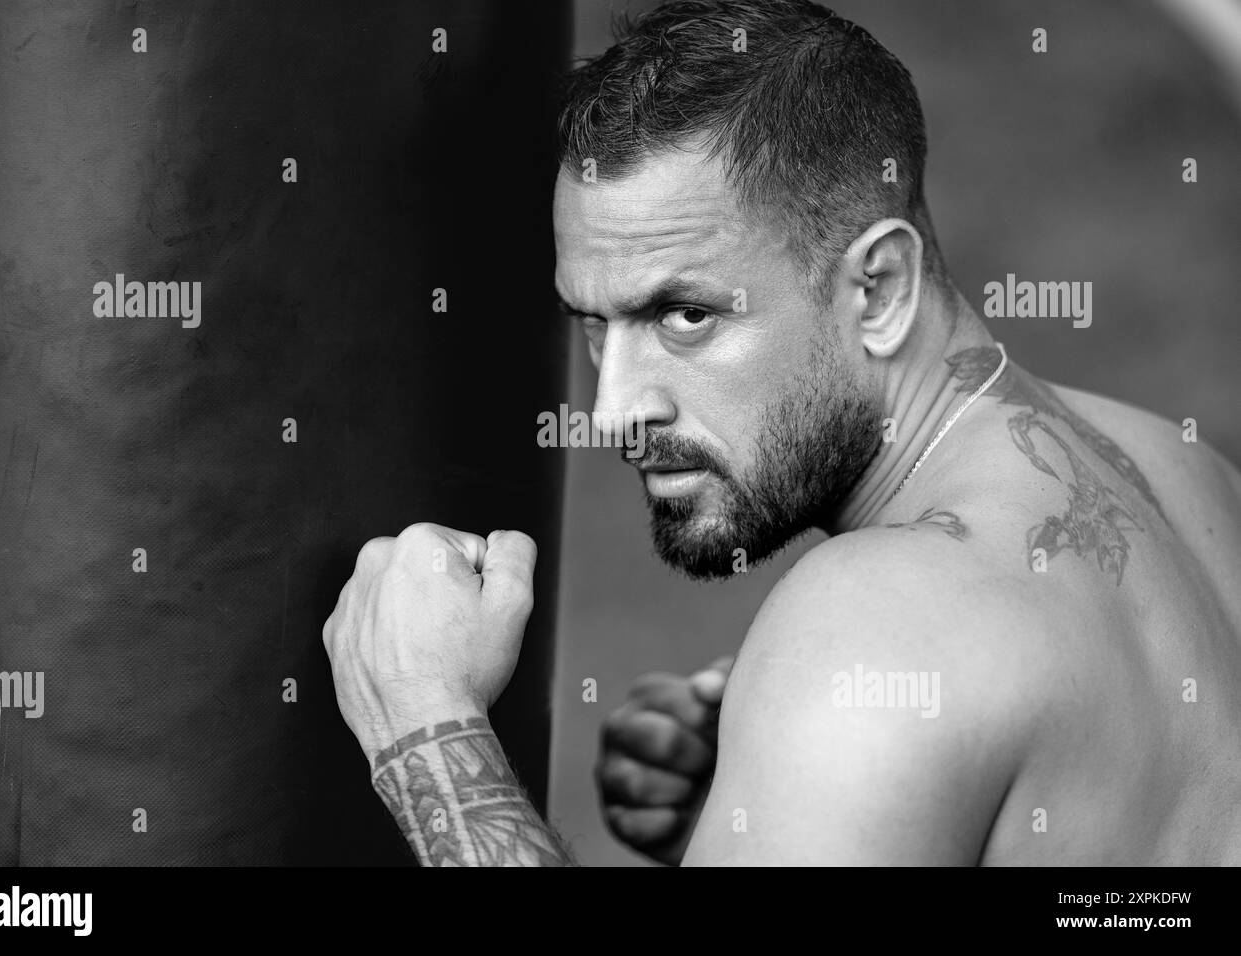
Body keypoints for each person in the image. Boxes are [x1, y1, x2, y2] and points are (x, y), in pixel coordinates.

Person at [322, 0, 1241, 865]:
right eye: (596, 324)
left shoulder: (874, 628)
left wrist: (426, 727)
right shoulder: (1184, 469)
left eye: (685, 316)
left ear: (878, 288)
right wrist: (770, 811)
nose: (614, 410)